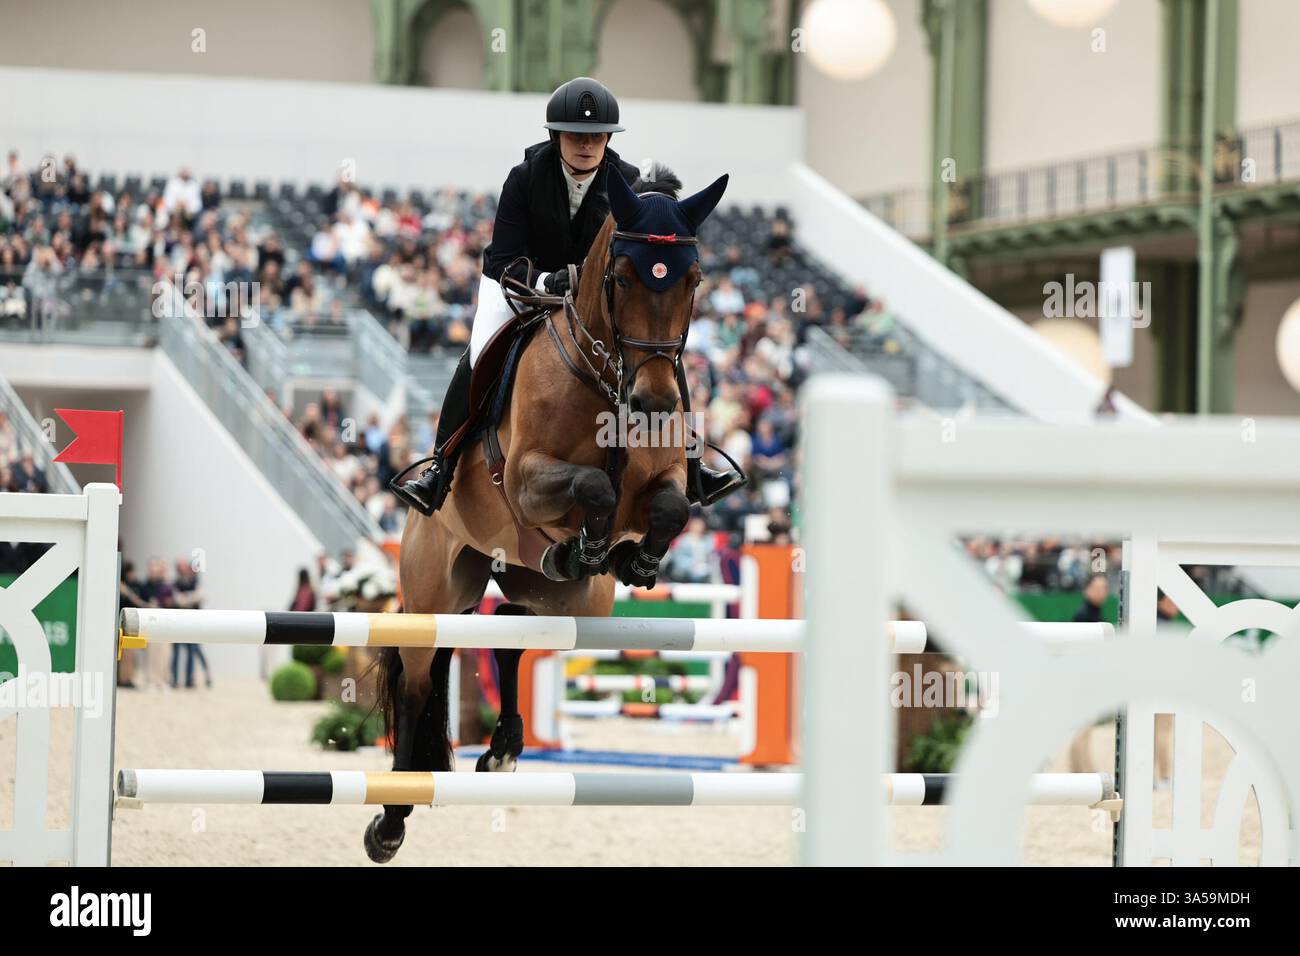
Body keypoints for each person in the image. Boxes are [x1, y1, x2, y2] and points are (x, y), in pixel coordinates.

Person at [393, 76, 743, 516]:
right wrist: (546, 282)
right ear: (556, 136)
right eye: (577, 135)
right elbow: (503, 259)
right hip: (519, 287)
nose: (587, 145)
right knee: (480, 352)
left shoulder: (628, 184)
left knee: (660, 354)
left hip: (592, 297)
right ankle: (440, 467)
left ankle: (692, 467)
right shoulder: (523, 178)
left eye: (597, 136)